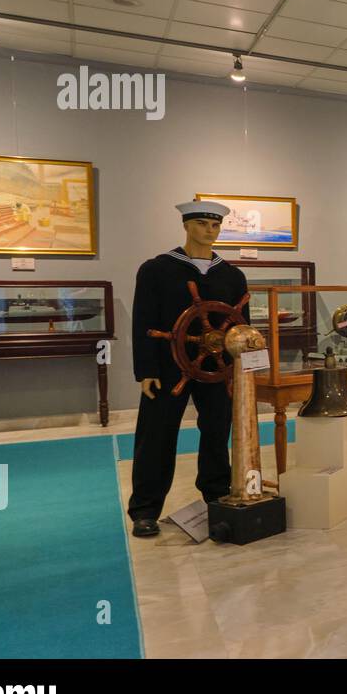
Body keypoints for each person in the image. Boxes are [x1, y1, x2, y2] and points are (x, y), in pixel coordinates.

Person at [128, 200, 249, 538]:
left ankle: (216, 495)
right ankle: (145, 509)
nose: (209, 231)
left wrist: (241, 367)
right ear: (186, 225)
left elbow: (241, 327)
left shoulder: (232, 275)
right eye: (201, 224)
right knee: (156, 435)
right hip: (167, 368)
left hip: (216, 369)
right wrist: (146, 370)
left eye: (215, 226)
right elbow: (144, 321)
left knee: (216, 432)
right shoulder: (157, 269)